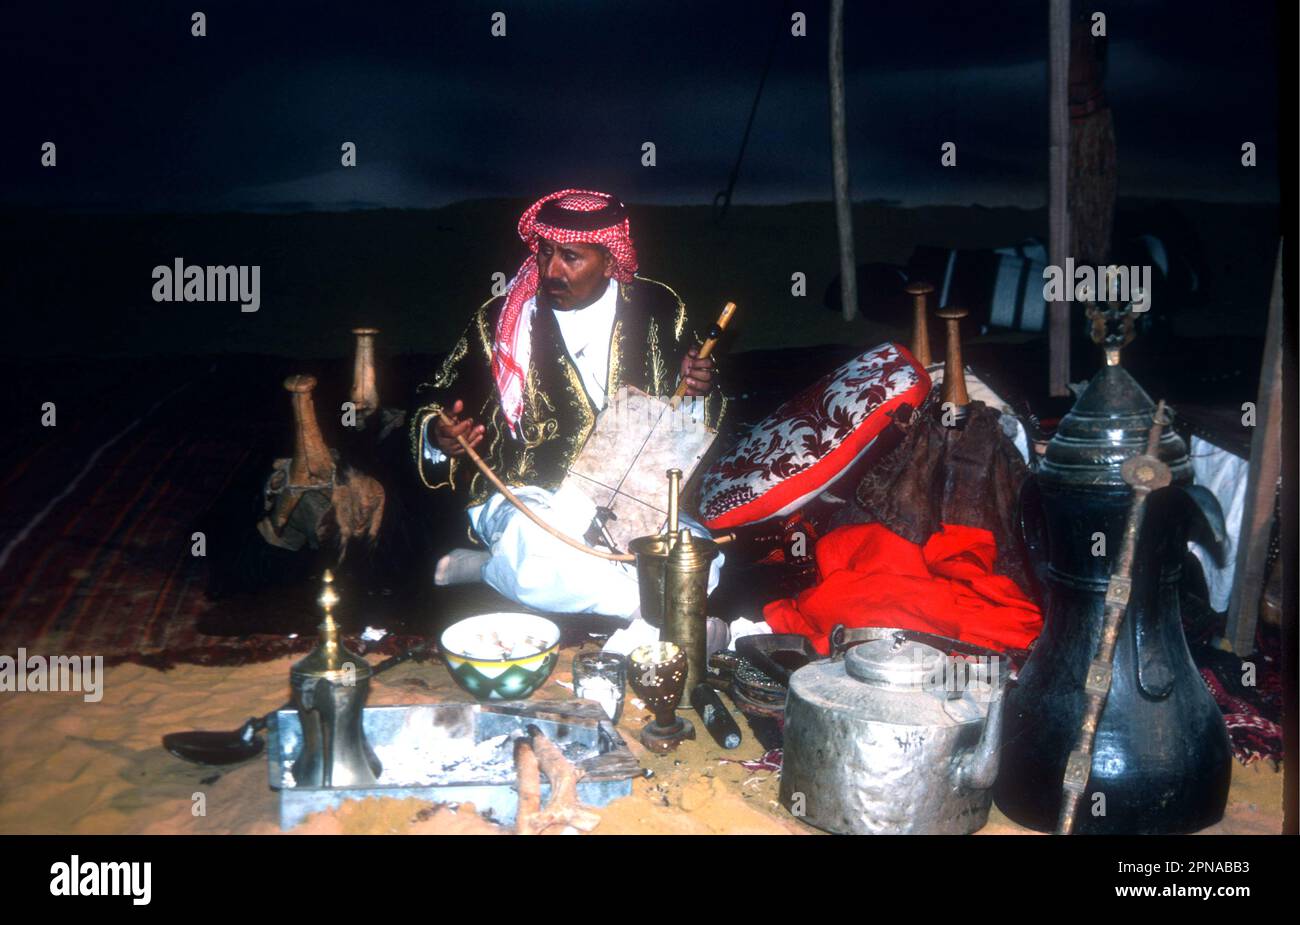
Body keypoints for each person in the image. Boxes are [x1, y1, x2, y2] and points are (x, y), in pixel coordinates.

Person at [411, 189, 726, 618]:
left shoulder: (659, 310)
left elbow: (692, 421)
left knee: (701, 559)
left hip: (634, 494)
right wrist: (438, 434)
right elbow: (437, 397)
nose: (551, 271)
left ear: (610, 261)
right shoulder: (501, 319)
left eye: (571, 257)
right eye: (545, 253)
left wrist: (697, 388)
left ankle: (497, 571)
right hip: (530, 489)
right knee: (544, 550)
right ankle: (659, 616)